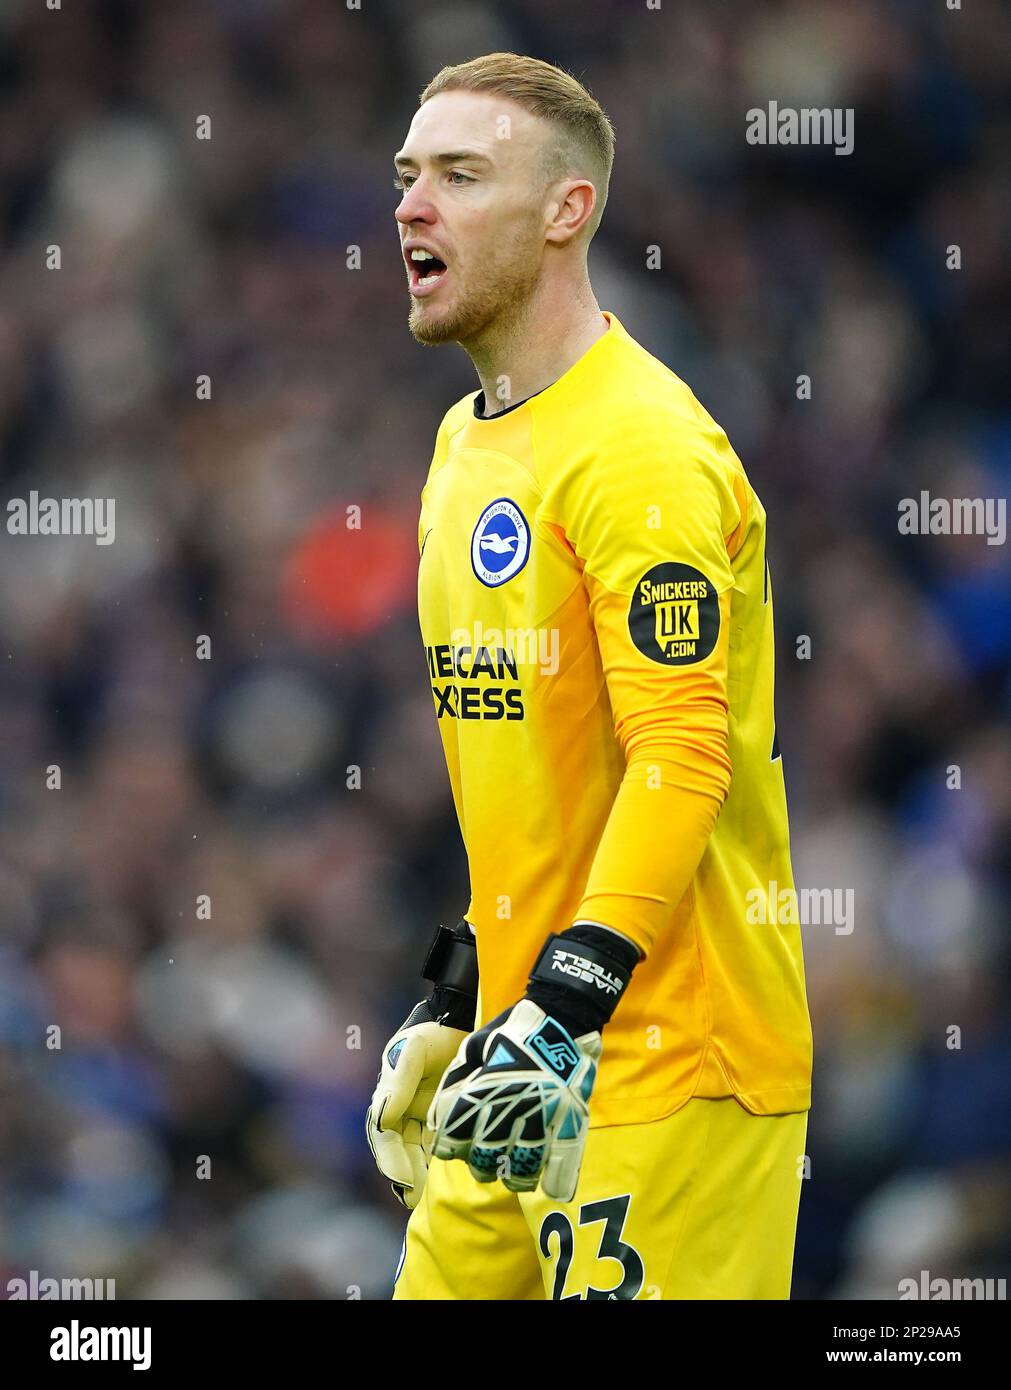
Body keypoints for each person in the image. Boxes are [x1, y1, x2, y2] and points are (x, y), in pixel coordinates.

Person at [366, 51, 813, 1301]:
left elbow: (680, 756)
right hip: (521, 1065)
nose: (410, 205)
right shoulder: (464, 444)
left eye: (460, 175)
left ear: (568, 212)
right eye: (408, 175)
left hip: (672, 1060)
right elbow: (540, 778)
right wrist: (466, 988)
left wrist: (568, 995)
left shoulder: (641, 450)